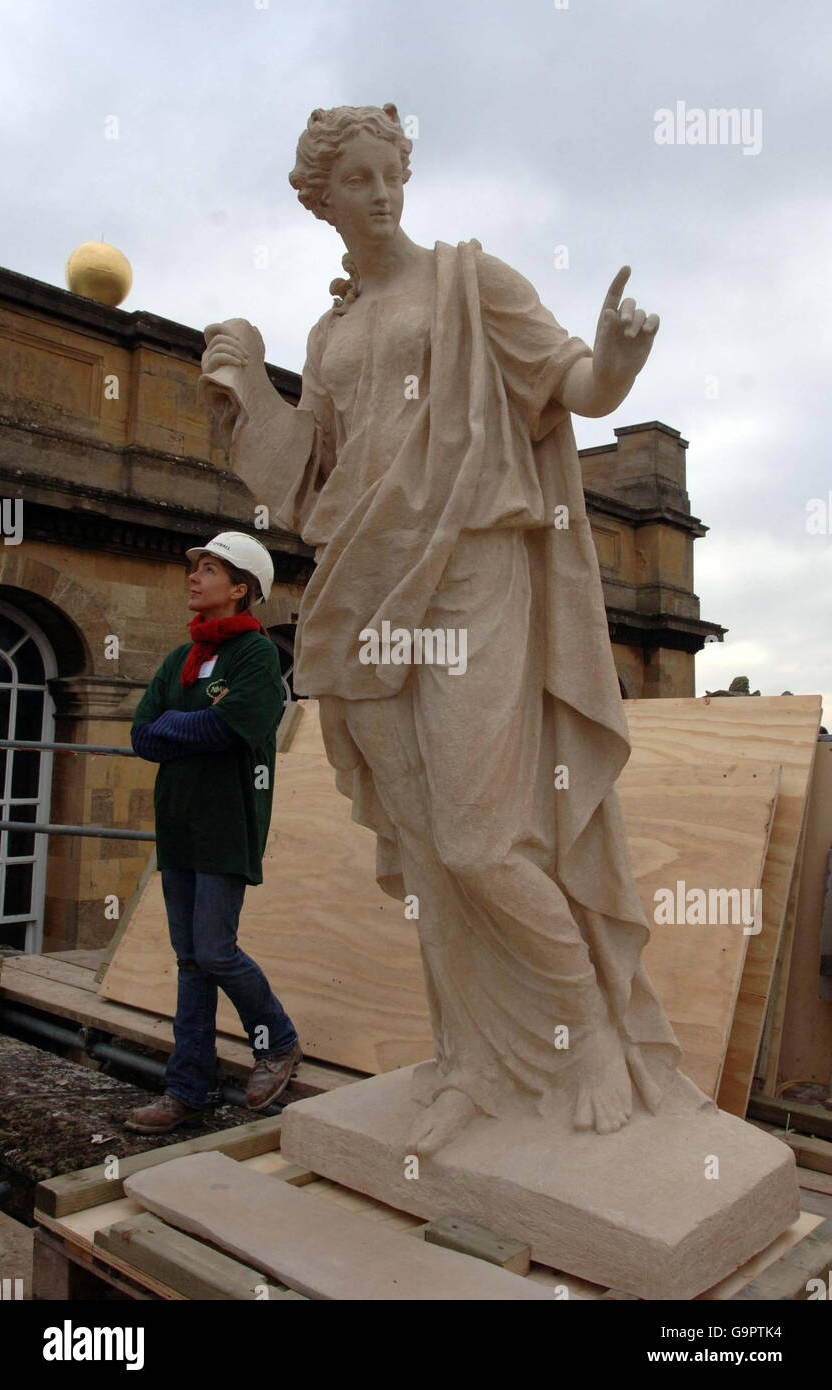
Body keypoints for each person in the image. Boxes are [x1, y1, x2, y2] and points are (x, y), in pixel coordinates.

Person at [198, 104, 712, 1156]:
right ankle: (472, 1060)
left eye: (393, 173)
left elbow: (570, 384)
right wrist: (247, 382)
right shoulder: (330, 333)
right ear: (321, 200)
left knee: (483, 838)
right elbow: (311, 477)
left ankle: (590, 1041)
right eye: (359, 181)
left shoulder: (473, 283)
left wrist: (617, 362)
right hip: (360, 586)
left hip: (468, 567)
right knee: (429, 851)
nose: (383, 194)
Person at [123, 531, 301, 1135]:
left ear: (240, 588)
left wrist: (179, 723)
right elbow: (141, 736)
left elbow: (234, 728)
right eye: (194, 566)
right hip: (177, 828)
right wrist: (187, 722)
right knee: (191, 962)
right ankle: (187, 1090)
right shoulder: (181, 659)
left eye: (209, 569)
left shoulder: (259, 656)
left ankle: (276, 1040)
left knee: (215, 951)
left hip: (227, 826)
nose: (193, 577)